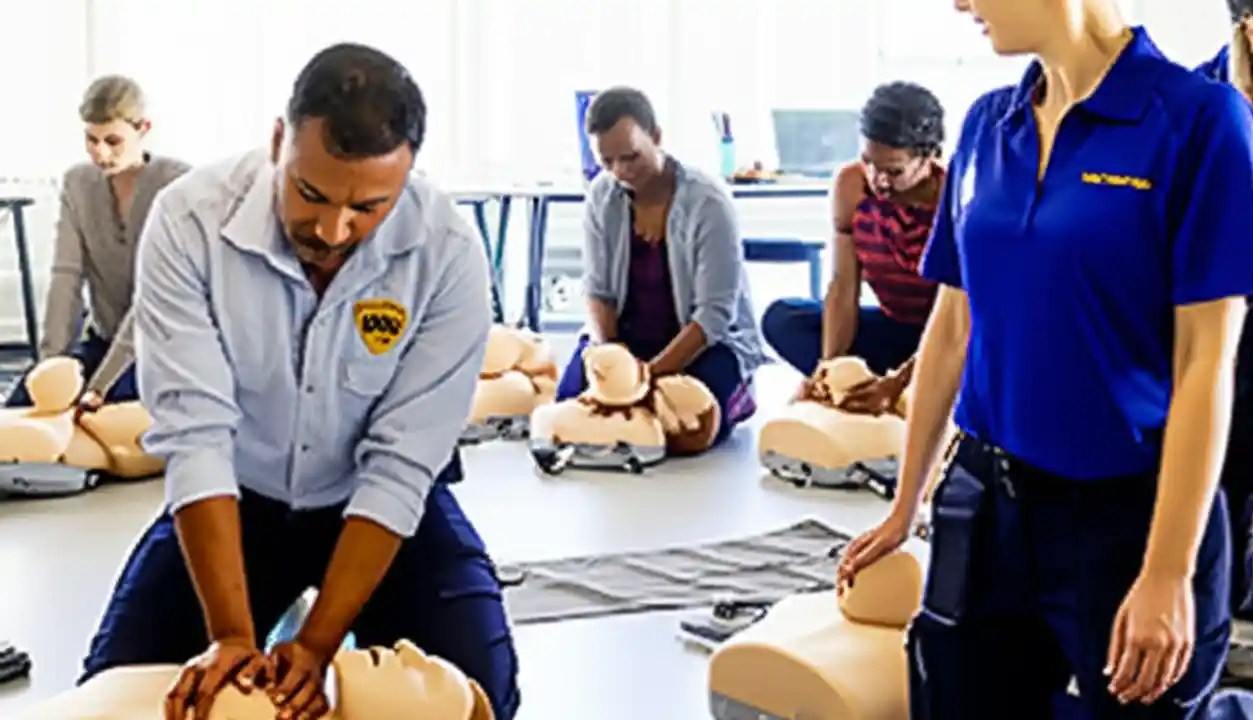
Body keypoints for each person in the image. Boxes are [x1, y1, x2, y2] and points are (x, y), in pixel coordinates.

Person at [837, 0, 1253, 717]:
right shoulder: (984, 125)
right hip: (986, 501)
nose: (961, 3)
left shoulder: (1200, 119)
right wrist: (906, 501)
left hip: (1129, 514)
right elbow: (951, 327)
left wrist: (1167, 570)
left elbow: (1205, 362)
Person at [78, 43, 518, 720]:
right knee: (121, 694)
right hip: (237, 497)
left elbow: (402, 465)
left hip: (378, 506)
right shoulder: (190, 221)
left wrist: (316, 647)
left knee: (485, 691)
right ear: (278, 140)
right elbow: (196, 437)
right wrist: (229, 635)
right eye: (310, 193)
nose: (333, 230)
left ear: (407, 177)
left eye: (369, 207)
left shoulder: (448, 253)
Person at [557, 86, 765, 449]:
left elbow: (712, 318)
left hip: (703, 345)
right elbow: (598, 292)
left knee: (686, 428)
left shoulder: (708, 203)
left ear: (656, 137)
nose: (620, 172)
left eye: (631, 157)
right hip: (629, 340)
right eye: (607, 162)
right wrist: (614, 363)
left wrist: (647, 378)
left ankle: (738, 393)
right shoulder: (602, 196)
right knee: (569, 412)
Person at [5, 75, 189, 410]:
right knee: (20, 413)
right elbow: (66, 276)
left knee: (105, 422)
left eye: (113, 141)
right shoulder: (78, 183)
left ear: (143, 128)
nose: (100, 153)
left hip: (161, 345)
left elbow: (153, 298)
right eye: (91, 140)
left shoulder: (176, 185)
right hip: (102, 338)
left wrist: (100, 387)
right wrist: (50, 369)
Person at [761, 82, 946, 402]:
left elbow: (964, 314)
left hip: (943, 336)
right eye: (869, 162)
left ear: (928, 156)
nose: (879, 180)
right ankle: (858, 388)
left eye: (894, 170)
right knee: (783, 318)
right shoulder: (852, 186)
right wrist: (827, 370)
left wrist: (901, 381)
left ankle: (911, 389)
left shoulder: (955, 199)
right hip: (891, 327)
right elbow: (844, 286)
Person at [1196, 0, 1253, 637]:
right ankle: (1227, 605)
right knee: (1225, 475)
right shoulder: (1202, 99)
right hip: (1230, 325)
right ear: (1247, 23)